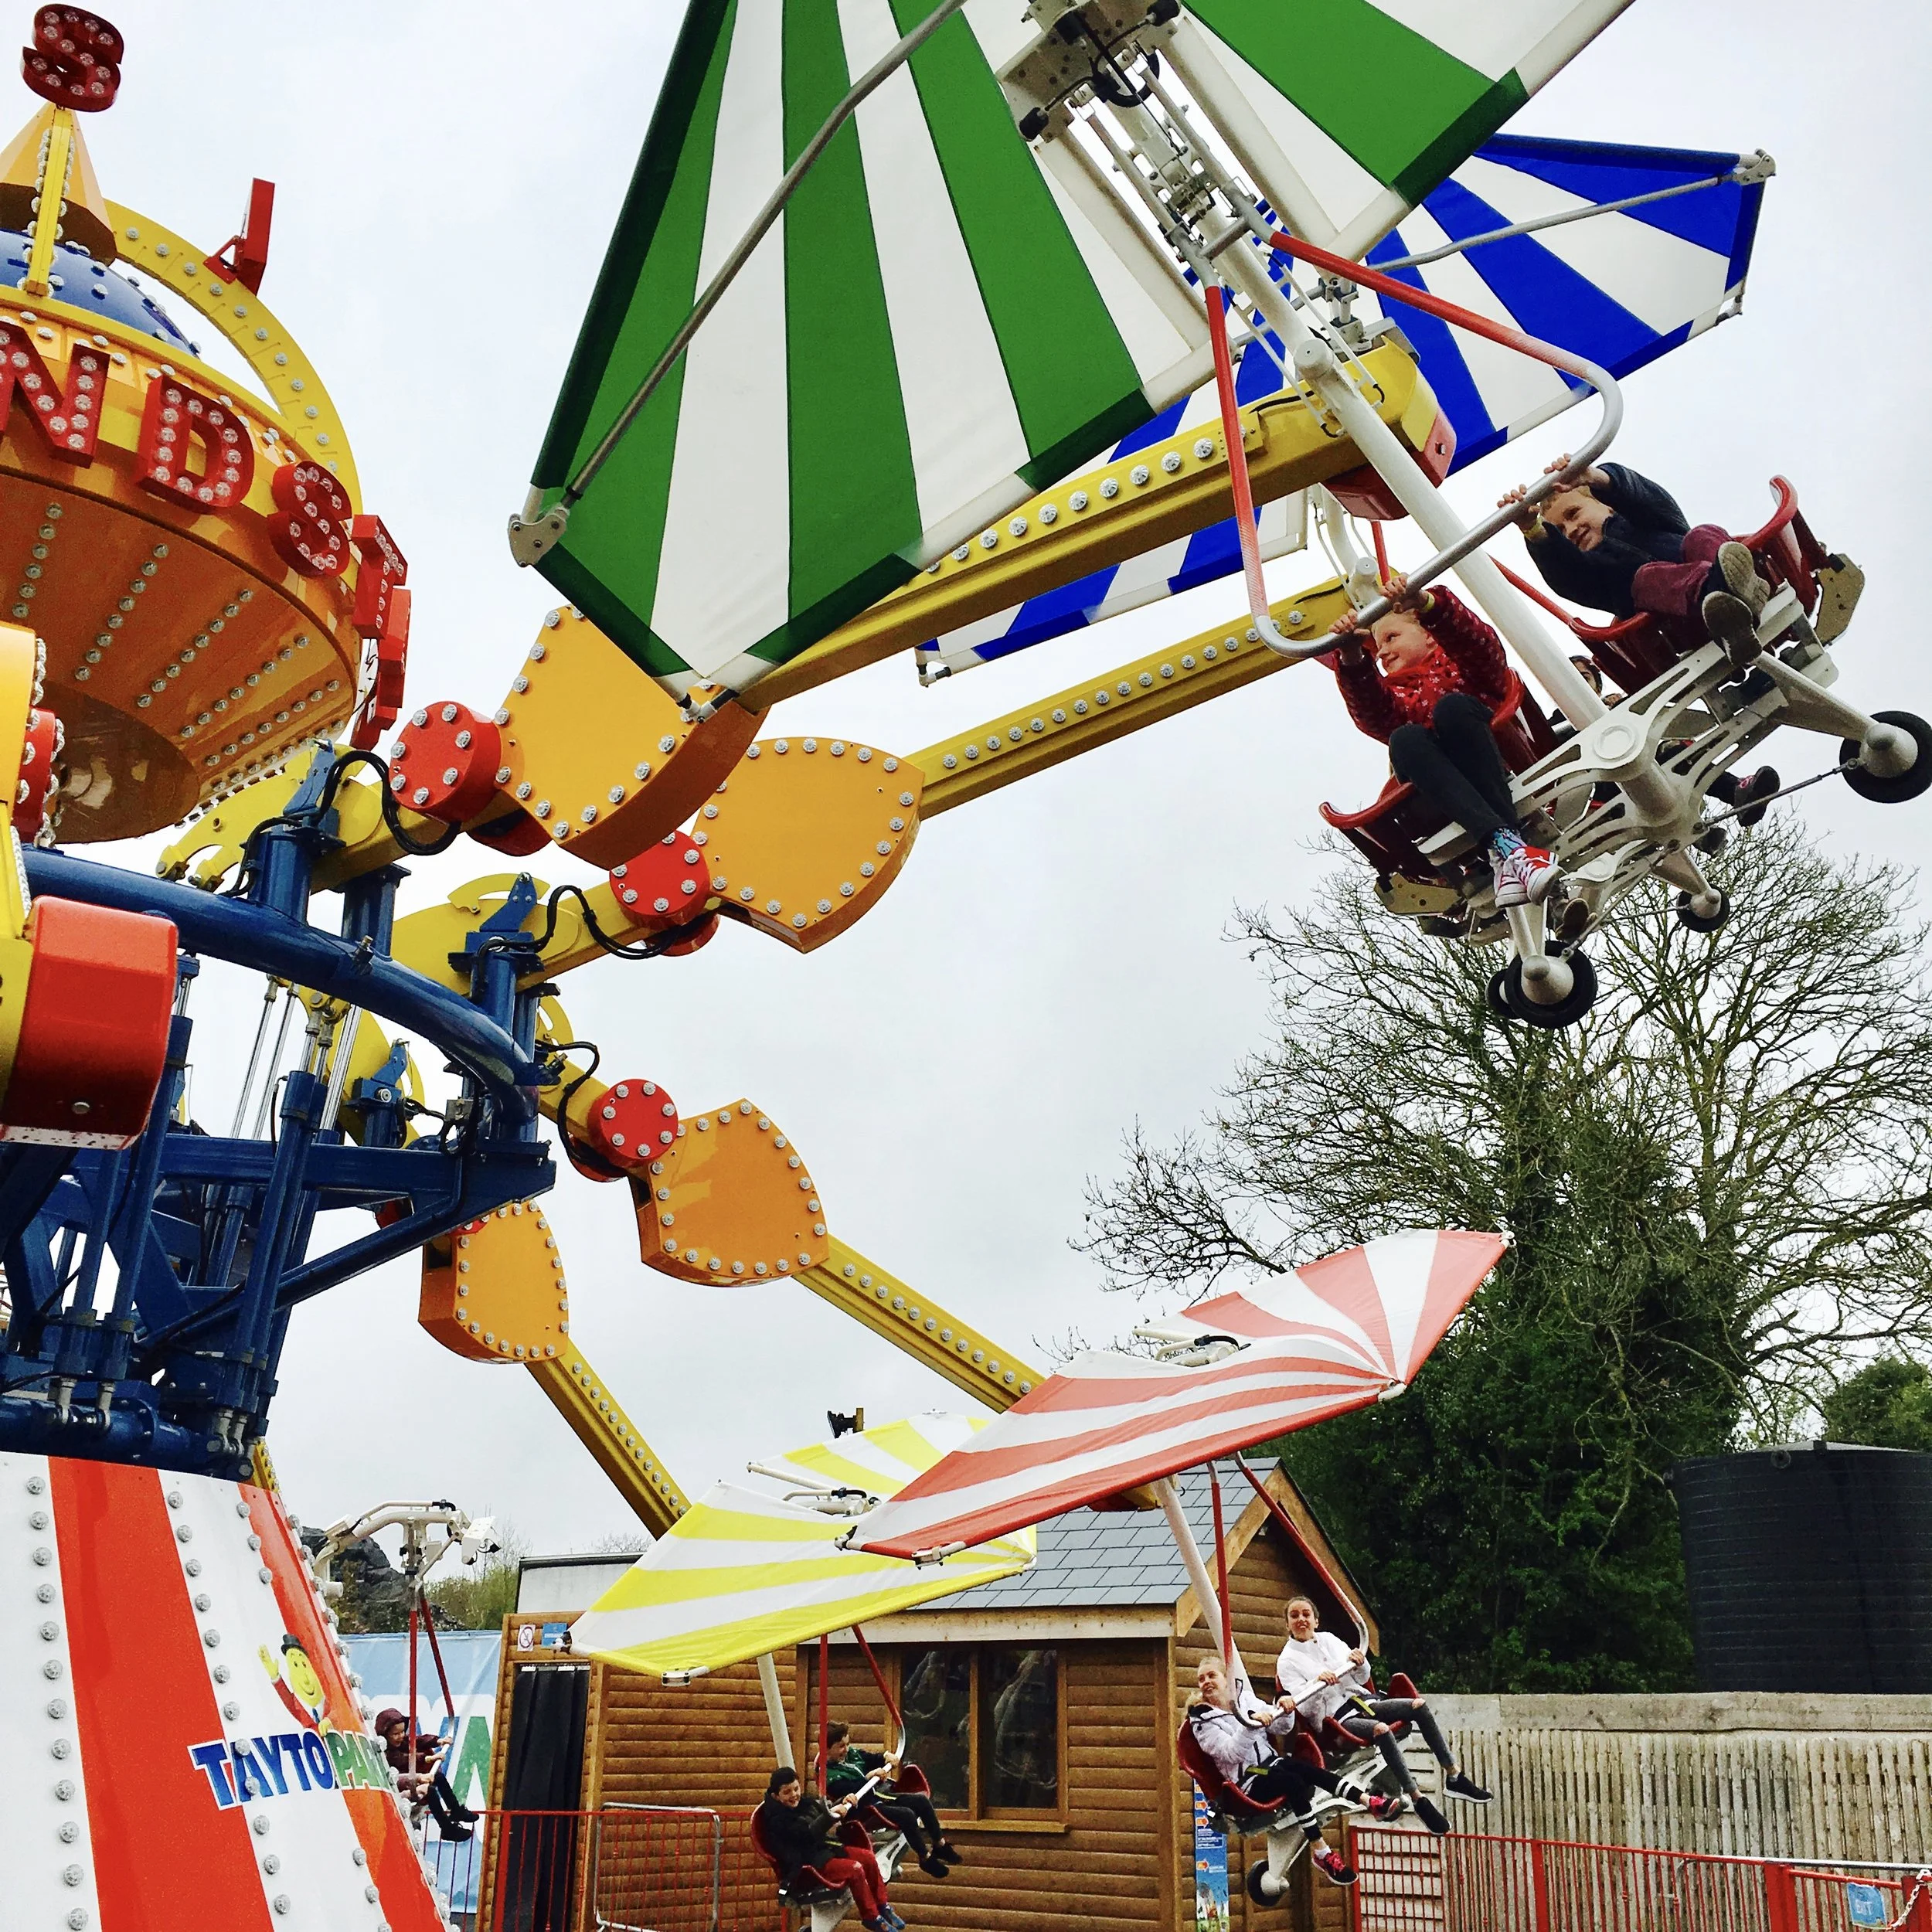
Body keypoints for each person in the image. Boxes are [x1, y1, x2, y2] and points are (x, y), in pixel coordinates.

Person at [1326, 573, 1560, 909]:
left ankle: (1503, 848)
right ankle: (1511, 847)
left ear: (1430, 637)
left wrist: (1429, 606)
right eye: (1377, 649)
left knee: (1453, 708)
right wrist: (1352, 659)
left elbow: (1480, 646)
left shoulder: (1466, 669)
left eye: (1391, 637)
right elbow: (1373, 713)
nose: (1382, 653)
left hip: (1495, 759)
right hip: (1442, 794)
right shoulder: (1397, 699)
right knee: (1404, 738)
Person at [1501, 457, 1770, 668]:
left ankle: (1735, 595)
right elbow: (1565, 576)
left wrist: (1597, 478)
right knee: (1647, 578)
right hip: (1685, 627)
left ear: (1608, 506)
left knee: (1702, 534)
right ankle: (1723, 596)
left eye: (1574, 513)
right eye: (1559, 530)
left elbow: (1650, 497)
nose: (1570, 529)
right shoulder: (1595, 576)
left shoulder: (1651, 522)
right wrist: (1535, 531)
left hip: (1713, 585)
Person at [1273, 1597, 1489, 1839]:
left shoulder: (1330, 1640)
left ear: (1316, 1620)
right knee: (1381, 1730)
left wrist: (1359, 1663)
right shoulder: (1287, 1661)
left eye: (1306, 1614)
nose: (1301, 1620)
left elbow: (1362, 1676)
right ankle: (1417, 1798)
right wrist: (1318, 1684)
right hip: (1337, 1720)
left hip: (1365, 1701)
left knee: (1418, 1706)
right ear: (1287, 1624)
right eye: (1294, 1616)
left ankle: (1454, 1775)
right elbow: (1305, 1707)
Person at [1188, 1655, 1402, 1890]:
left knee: (1310, 1772)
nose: (1206, 1682)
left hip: (1272, 1764)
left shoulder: (1244, 1699)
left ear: (1226, 1678)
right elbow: (1229, 1754)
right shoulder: (1203, 1722)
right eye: (1201, 1679)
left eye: (1211, 1676)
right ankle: (1321, 1850)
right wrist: (1252, 1726)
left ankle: (1369, 1801)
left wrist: (1285, 1710)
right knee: (1293, 1782)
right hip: (1247, 1781)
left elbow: (1281, 1726)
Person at [756, 1766, 903, 1932]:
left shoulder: (804, 1804)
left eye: (796, 1789)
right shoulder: (778, 1820)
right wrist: (829, 1816)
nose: (794, 1795)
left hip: (823, 1853)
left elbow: (825, 1811)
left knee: (867, 1858)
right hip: (807, 1866)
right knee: (855, 1870)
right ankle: (870, 1916)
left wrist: (843, 1802)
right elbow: (807, 1834)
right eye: (787, 1792)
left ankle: (882, 1905)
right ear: (776, 1796)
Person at [823, 1720, 959, 1879]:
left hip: (878, 1797)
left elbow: (870, 1758)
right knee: (906, 1815)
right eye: (840, 1746)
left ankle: (939, 1844)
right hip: (864, 1810)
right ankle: (925, 1858)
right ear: (827, 1749)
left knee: (921, 1801)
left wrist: (885, 1756)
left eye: (847, 1744)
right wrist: (869, 1777)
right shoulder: (829, 1774)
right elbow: (845, 1789)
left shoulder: (852, 1755)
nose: (845, 1749)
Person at [374, 1708, 475, 1841]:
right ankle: (447, 1828)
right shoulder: (384, 1752)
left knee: (438, 1777)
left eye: (402, 1732)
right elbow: (401, 1759)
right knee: (430, 1791)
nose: (401, 1736)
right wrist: (429, 1759)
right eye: (395, 1734)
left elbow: (417, 1741)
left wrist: (437, 1741)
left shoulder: (402, 1742)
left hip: (409, 1780)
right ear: (385, 1734)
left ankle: (455, 1809)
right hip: (396, 1787)